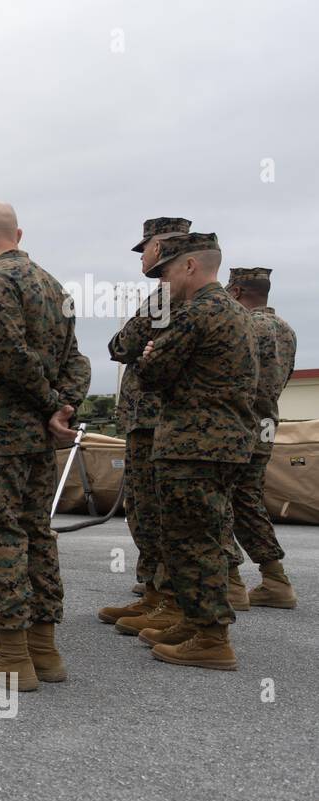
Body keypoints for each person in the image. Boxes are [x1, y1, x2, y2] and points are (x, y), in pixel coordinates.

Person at [0, 202, 91, 691]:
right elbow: (78, 361)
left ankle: (11, 655)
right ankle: (43, 651)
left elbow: (8, 356)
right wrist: (62, 409)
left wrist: (52, 404)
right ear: (19, 233)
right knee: (34, 534)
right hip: (35, 443)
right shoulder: (54, 287)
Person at [135, 233, 258, 670]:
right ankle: (194, 620)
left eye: (166, 272)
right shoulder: (236, 313)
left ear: (189, 266)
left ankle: (211, 638)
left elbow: (151, 371)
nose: (163, 282)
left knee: (193, 542)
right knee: (197, 535)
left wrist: (151, 354)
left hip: (193, 445)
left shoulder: (197, 313)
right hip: (223, 443)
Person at [99, 217, 190, 634]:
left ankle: (167, 600)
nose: (143, 255)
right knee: (151, 508)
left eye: (147, 247)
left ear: (165, 246)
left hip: (153, 419)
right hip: (157, 418)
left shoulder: (167, 296)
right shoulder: (184, 295)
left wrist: (125, 344)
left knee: (151, 509)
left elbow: (123, 343)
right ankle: (157, 595)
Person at [225, 266, 298, 609]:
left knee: (218, 500)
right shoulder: (287, 330)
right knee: (247, 501)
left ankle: (229, 582)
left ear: (236, 291)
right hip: (265, 424)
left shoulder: (245, 326)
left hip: (235, 427)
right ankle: (274, 579)